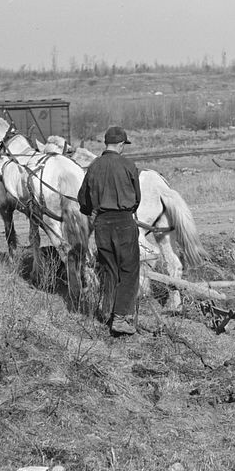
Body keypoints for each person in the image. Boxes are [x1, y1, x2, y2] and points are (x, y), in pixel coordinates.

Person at [77, 126, 142, 336]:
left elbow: (83, 201)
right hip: (124, 222)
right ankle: (121, 318)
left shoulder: (94, 166)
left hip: (102, 224)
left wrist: (93, 208)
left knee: (110, 270)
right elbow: (137, 199)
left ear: (106, 144)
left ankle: (107, 313)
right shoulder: (128, 165)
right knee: (129, 271)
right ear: (121, 144)